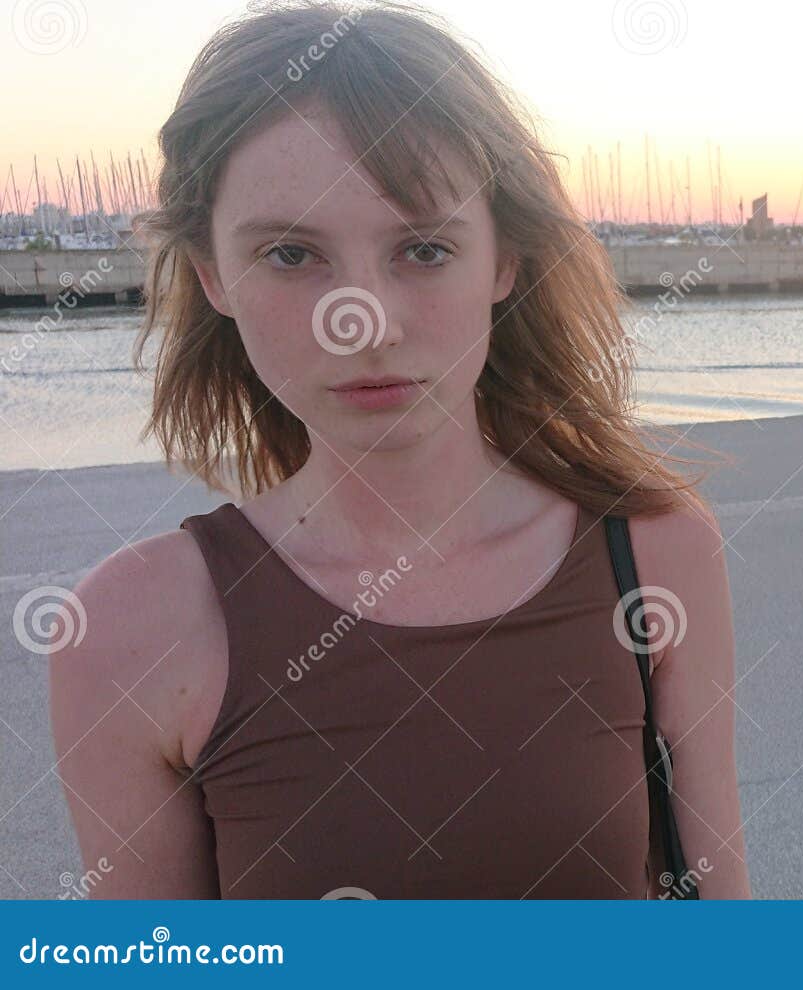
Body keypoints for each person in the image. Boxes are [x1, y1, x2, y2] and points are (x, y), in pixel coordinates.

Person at [47, 0, 749, 899]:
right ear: (214, 274)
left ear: (503, 260)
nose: (362, 321)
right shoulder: (125, 631)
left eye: (422, 247)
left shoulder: (654, 555)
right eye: (292, 255)